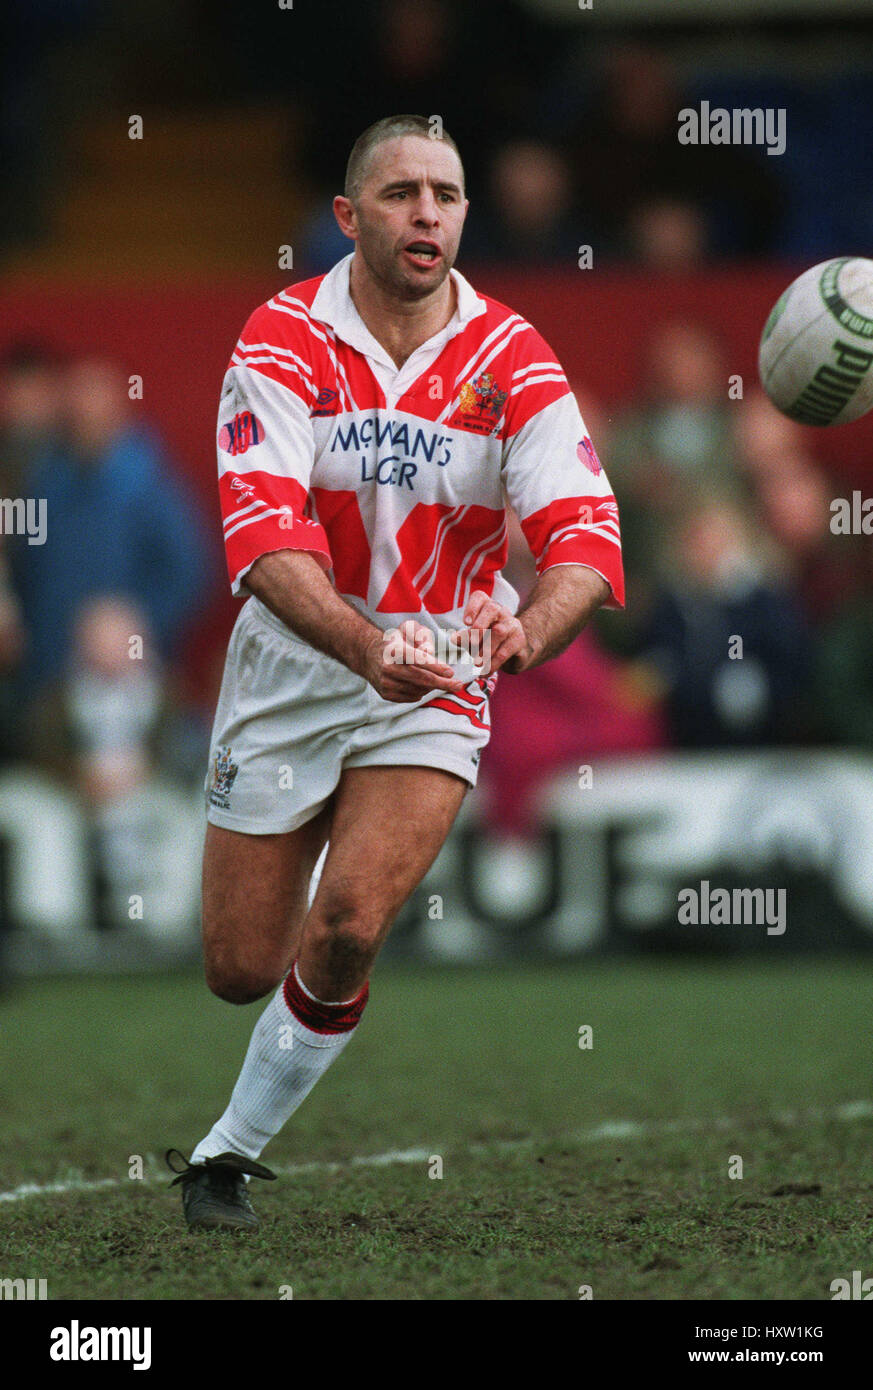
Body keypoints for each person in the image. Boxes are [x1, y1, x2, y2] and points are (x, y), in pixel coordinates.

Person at [166, 114, 624, 1230]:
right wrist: (364, 647)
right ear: (348, 215)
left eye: (449, 194)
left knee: (350, 928)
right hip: (296, 670)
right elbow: (264, 543)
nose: (429, 213)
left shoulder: (512, 356)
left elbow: (586, 545)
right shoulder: (281, 338)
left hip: (437, 676)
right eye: (403, 192)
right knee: (238, 964)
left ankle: (225, 1156)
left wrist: (521, 635)